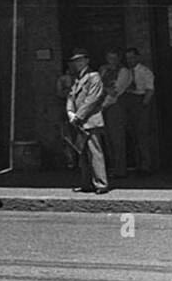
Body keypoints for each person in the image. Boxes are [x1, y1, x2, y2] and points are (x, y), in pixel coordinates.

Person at [65, 47, 108, 194]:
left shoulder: (94, 76)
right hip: (79, 121)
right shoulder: (77, 79)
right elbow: (70, 96)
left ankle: (101, 183)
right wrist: (70, 112)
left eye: (81, 60)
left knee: (95, 152)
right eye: (75, 61)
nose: (78, 63)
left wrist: (78, 115)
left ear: (87, 61)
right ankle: (87, 183)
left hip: (90, 120)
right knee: (82, 153)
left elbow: (93, 99)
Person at [98, 48, 131, 179]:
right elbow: (98, 86)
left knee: (117, 138)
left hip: (115, 106)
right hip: (102, 107)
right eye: (109, 58)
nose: (111, 61)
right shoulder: (103, 70)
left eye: (114, 59)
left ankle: (121, 170)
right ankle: (112, 168)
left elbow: (116, 92)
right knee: (107, 139)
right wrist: (105, 89)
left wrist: (103, 106)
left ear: (118, 59)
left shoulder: (124, 71)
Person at [122, 47, 155, 175]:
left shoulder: (145, 71)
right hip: (129, 101)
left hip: (140, 101)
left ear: (137, 57)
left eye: (132, 57)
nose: (130, 60)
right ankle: (137, 164)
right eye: (127, 58)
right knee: (133, 135)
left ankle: (146, 166)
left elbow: (150, 90)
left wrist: (143, 105)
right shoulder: (126, 72)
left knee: (142, 135)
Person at [53, 61, 77, 170]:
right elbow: (59, 93)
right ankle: (71, 160)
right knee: (67, 136)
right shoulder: (63, 79)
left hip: (80, 109)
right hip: (65, 110)